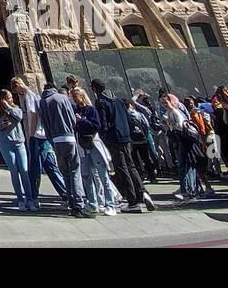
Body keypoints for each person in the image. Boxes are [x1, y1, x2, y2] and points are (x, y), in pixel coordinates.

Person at [91, 79, 153, 212]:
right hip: (125, 138)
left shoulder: (101, 102)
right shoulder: (119, 101)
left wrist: (105, 138)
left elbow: (103, 124)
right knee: (131, 166)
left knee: (122, 168)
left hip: (114, 139)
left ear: (95, 89)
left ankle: (133, 202)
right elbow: (128, 119)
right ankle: (143, 192)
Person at [13, 75, 65, 208]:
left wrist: (30, 134)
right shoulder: (34, 94)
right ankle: (66, 194)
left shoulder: (29, 95)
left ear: (18, 86)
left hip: (36, 136)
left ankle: (34, 198)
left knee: (35, 167)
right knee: (50, 166)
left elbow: (34, 114)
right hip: (44, 135)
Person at [39, 80, 88, 217]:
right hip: (68, 138)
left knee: (65, 172)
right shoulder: (62, 98)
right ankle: (79, 205)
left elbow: (44, 123)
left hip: (55, 140)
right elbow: (72, 119)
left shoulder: (43, 102)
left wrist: (51, 139)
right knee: (75, 171)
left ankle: (70, 201)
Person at [71, 87, 113, 215]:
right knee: (87, 175)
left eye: (76, 96)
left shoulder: (90, 110)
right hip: (82, 145)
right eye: (73, 97)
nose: (74, 99)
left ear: (82, 96)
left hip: (93, 143)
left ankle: (110, 204)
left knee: (102, 175)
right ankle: (92, 203)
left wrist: (82, 120)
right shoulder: (76, 110)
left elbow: (96, 126)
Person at [0, 89, 34, 211]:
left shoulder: (15, 108)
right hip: (6, 143)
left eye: (11, 97)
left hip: (19, 142)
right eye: (8, 97)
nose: (11, 99)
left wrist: (8, 107)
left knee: (24, 171)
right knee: (14, 171)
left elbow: (19, 117)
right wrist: (2, 125)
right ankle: (20, 199)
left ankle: (30, 199)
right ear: (2, 98)